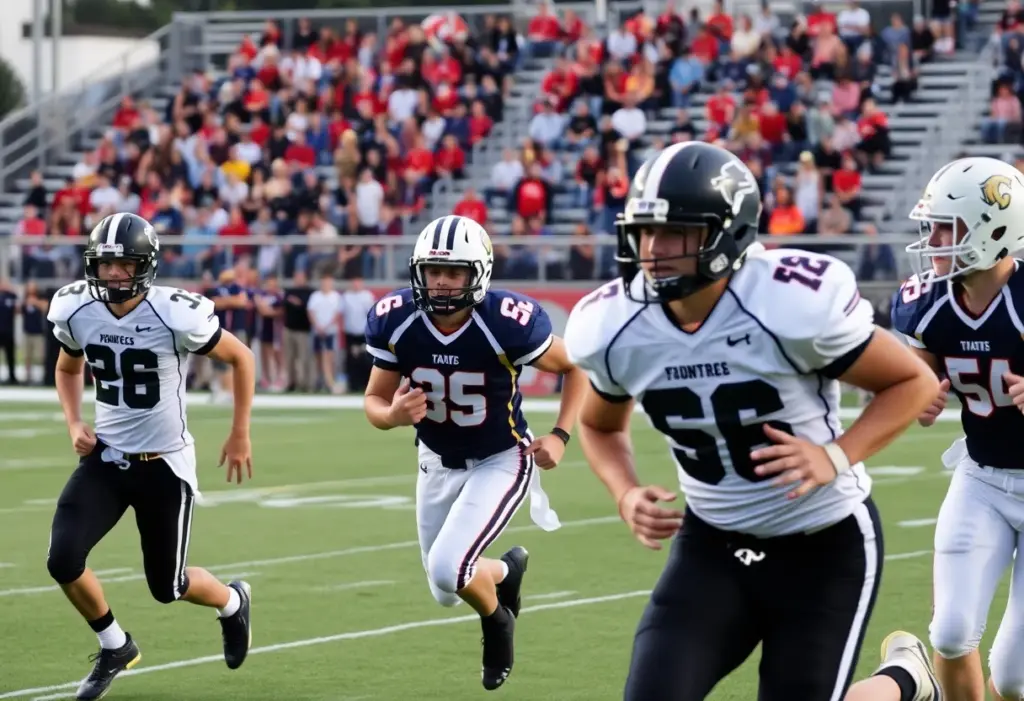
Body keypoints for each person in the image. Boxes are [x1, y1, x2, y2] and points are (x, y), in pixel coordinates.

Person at [563, 141, 942, 701]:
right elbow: (598, 425)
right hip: (711, 545)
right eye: (644, 232)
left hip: (823, 545)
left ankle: (905, 682)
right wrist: (623, 492)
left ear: (726, 234)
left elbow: (913, 382)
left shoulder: (786, 304)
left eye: (675, 234)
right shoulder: (617, 325)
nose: (653, 250)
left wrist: (833, 454)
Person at [363, 214, 586, 691]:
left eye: (455, 273)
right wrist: (394, 416)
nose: (441, 283)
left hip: (501, 457)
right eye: (433, 271)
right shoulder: (397, 319)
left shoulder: (506, 322)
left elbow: (576, 367)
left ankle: (497, 622)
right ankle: (506, 572)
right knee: (445, 589)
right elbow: (373, 402)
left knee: (449, 568)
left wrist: (561, 435)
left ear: (478, 274)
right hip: (435, 460)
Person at [45, 212, 257, 701]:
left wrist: (239, 431)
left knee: (169, 586)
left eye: (125, 264)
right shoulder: (77, 308)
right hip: (106, 458)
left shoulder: (175, 313)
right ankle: (114, 645)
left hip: (163, 465)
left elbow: (241, 357)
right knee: (63, 559)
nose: (114, 274)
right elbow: (67, 367)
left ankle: (232, 601)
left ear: (146, 265)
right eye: (106, 264)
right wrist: (75, 422)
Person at [892, 156, 1024, 701]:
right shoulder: (926, 303)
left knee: (1013, 678)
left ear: (996, 230)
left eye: (949, 227)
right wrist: (918, 390)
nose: (936, 240)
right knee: (949, 633)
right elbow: (918, 372)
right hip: (983, 477)